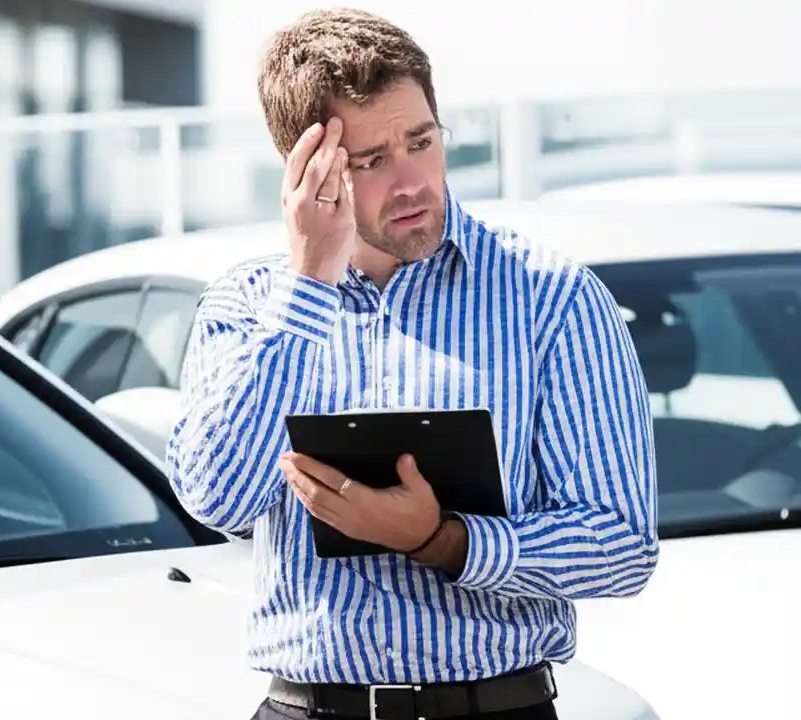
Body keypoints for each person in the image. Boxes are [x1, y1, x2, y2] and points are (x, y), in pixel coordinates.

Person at [165, 7, 658, 720]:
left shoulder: (553, 299)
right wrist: (308, 285)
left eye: (421, 142)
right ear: (307, 171)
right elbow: (221, 500)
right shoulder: (245, 307)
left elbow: (622, 547)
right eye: (370, 161)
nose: (411, 183)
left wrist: (445, 540)